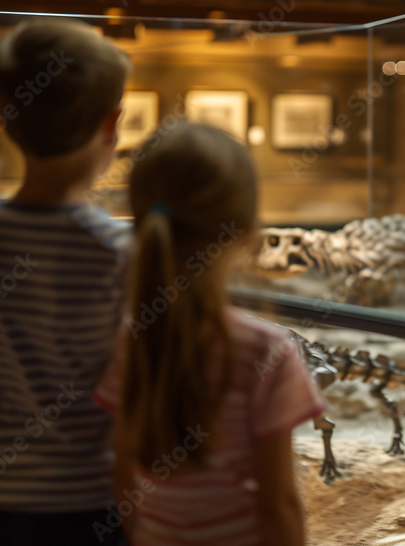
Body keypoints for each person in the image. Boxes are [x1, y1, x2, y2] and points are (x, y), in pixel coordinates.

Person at [93, 122, 327, 546]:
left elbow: (123, 470)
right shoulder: (267, 351)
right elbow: (279, 504)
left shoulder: (126, 340)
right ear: (249, 230)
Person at [0, 18, 131, 545]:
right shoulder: (119, 250)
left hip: (10, 498)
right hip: (102, 496)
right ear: (112, 124)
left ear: (2, 121)